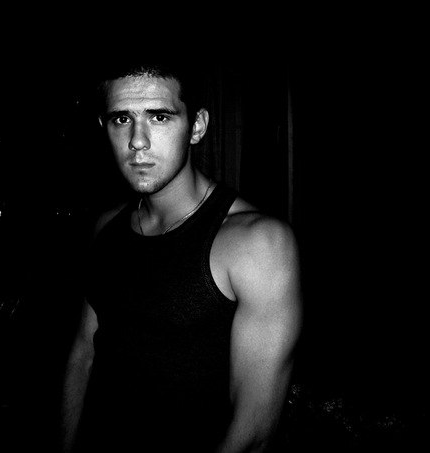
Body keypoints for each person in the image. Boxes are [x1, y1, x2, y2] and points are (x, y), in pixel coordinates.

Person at [60, 60, 302, 453]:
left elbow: (253, 430)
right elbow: (83, 355)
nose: (137, 141)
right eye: (122, 118)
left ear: (197, 126)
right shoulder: (105, 227)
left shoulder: (256, 243)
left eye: (159, 117)